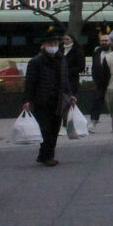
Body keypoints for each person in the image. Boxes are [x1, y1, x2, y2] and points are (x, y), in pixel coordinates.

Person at [24, 32, 68, 166]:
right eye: (50, 44)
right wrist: (27, 100)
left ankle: (46, 155)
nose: (53, 46)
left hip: (58, 100)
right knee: (46, 130)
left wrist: (69, 95)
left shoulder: (61, 59)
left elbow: (65, 79)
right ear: (43, 45)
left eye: (55, 44)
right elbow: (30, 82)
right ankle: (47, 156)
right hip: (41, 100)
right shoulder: (36, 61)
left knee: (55, 129)